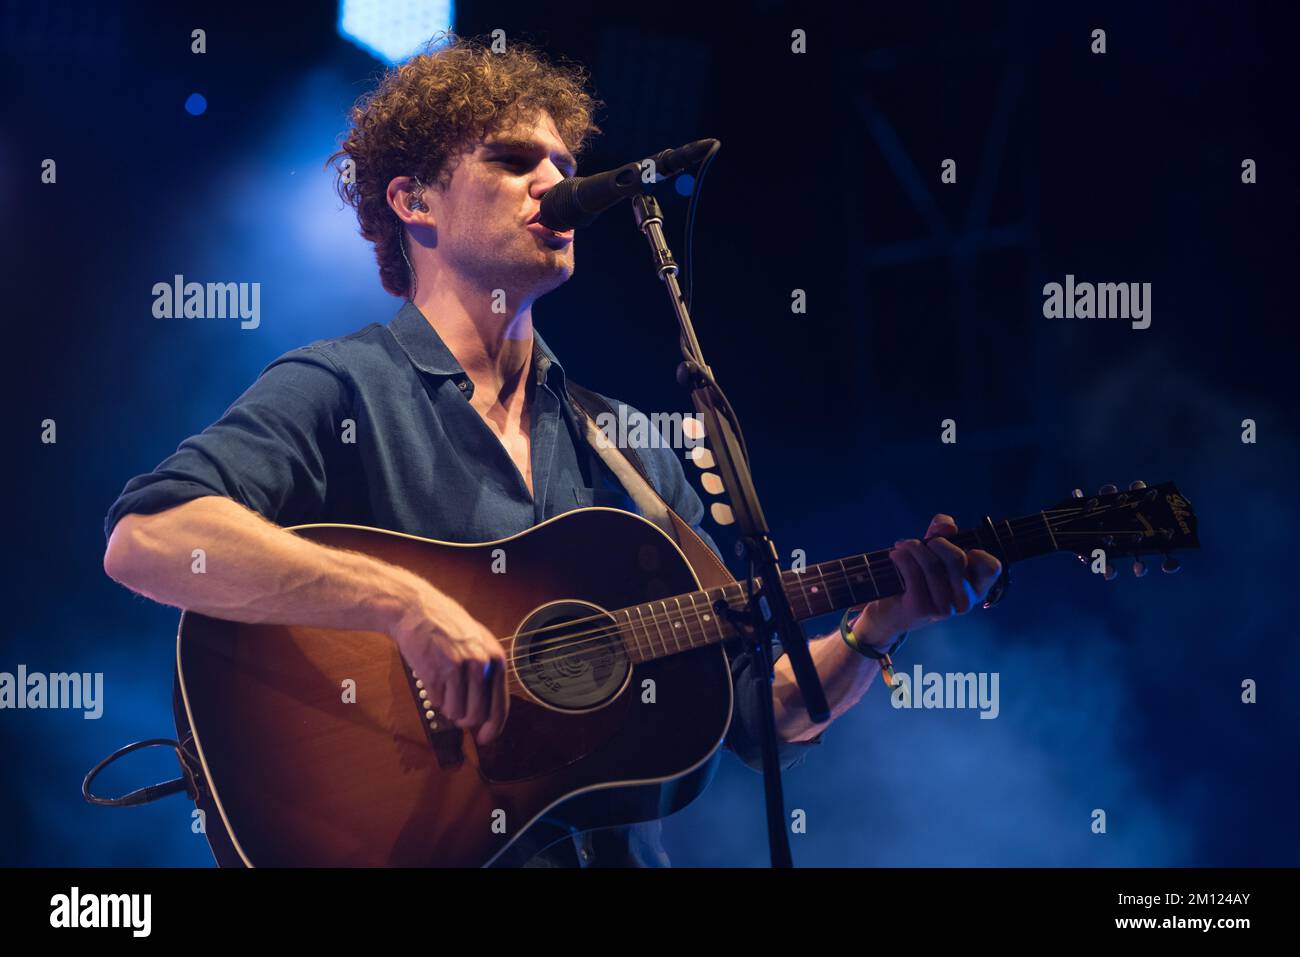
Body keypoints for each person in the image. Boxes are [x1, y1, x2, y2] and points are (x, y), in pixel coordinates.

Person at [102, 34, 1002, 867]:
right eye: (512, 160)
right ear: (414, 200)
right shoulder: (343, 387)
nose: (554, 181)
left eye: (565, 164)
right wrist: (403, 606)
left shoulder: (631, 457)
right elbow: (146, 537)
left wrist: (878, 625)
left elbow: (758, 715)